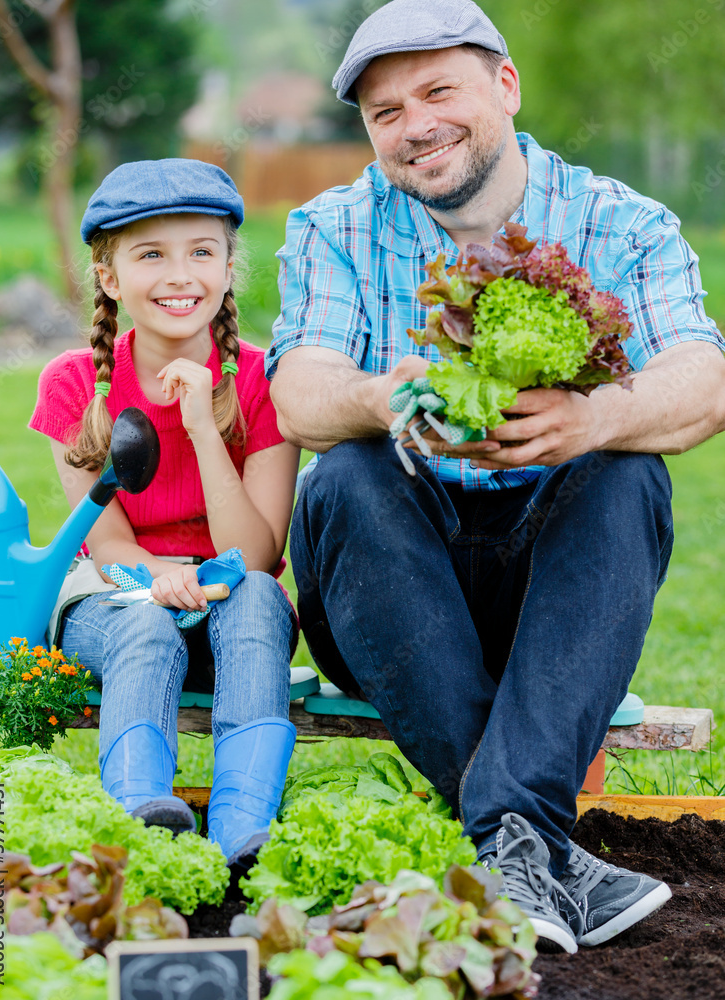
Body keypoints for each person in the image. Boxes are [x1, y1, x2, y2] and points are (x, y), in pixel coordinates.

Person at [267, 0, 725, 954]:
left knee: (624, 471)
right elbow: (301, 395)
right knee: (345, 472)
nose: (414, 125)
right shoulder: (335, 225)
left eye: (438, 91)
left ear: (506, 87)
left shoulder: (620, 221)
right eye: (385, 112)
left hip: (552, 622)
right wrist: (378, 392)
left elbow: (704, 381)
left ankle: (507, 843)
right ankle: (533, 837)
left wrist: (593, 416)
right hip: (387, 598)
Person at [30, 159, 300, 878]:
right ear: (110, 278)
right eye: (152, 255)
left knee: (258, 599)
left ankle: (244, 826)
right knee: (146, 622)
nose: (181, 276)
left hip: (231, 602)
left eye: (201, 252)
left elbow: (258, 552)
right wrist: (158, 578)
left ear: (227, 267)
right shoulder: (74, 384)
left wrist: (204, 428)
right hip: (116, 601)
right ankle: (143, 813)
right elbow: (109, 539)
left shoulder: (262, 380)